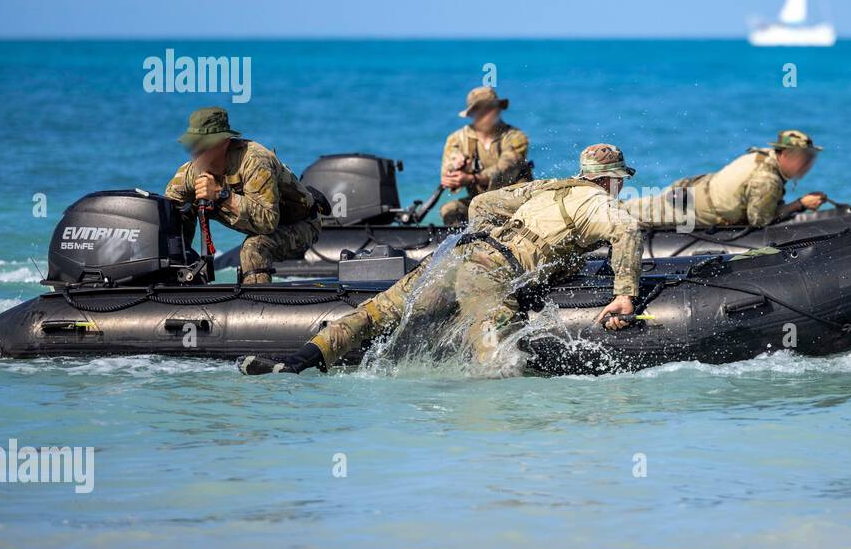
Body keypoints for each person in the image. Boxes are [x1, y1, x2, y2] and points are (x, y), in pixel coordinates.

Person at [239, 144, 642, 375]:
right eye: (620, 182)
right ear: (611, 179)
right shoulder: (599, 201)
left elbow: (482, 204)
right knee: (497, 356)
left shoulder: (549, 188)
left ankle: (295, 363)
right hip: (494, 273)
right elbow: (627, 231)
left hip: (458, 259)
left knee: (378, 312)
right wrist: (625, 295)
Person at [164, 107, 326, 284]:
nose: (196, 151)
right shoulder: (190, 173)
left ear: (224, 142)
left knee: (253, 248)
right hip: (263, 222)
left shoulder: (255, 161)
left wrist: (221, 194)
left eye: (203, 144)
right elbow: (167, 212)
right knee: (174, 231)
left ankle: (257, 306)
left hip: (301, 223)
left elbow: (267, 222)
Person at [624, 129, 827, 228]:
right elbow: (760, 222)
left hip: (692, 190)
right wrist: (800, 204)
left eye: (810, 159)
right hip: (689, 209)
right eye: (802, 158)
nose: (807, 164)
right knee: (623, 215)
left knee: (630, 208)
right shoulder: (767, 180)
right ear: (784, 155)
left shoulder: (766, 155)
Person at [438, 86, 532, 225]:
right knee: (450, 210)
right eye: (482, 108)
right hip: (478, 200)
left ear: (499, 108)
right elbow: (447, 171)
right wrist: (455, 170)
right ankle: (461, 243)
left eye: (492, 107)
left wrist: (472, 178)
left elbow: (506, 169)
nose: (490, 112)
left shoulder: (515, 137)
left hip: (514, 199)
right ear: (472, 113)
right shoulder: (457, 139)